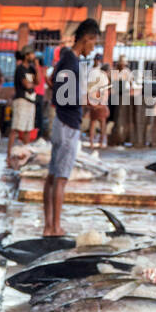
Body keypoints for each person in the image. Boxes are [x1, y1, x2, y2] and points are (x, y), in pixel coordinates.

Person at [44, 18, 101, 236]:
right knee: (60, 178)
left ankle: (49, 225)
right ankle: (55, 227)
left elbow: (55, 84)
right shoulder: (70, 60)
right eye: (93, 42)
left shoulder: (67, 59)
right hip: (68, 123)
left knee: (52, 176)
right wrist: (88, 101)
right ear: (86, 39)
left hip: (62, 121)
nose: (93, 48)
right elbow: (63, 95)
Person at [8, 45, 37, 162]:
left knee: (27, 129)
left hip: (31, 101)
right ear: (26, 55)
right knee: (15, 128)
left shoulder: (32, 69)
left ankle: (25, 154)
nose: (33, 56)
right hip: (21, 100)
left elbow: (38, 81)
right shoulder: (20, 69)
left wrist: (37, 66)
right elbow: (26, 84)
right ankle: (8, 154)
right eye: (31, 54)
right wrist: (32, 84)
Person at [87, 56, 110, 149]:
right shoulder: (104, 77)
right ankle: (101, 142)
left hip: (93, 100)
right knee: (102, 123)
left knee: (93, 123)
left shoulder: (94, 74)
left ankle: (91, 142)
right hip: (101, 101)